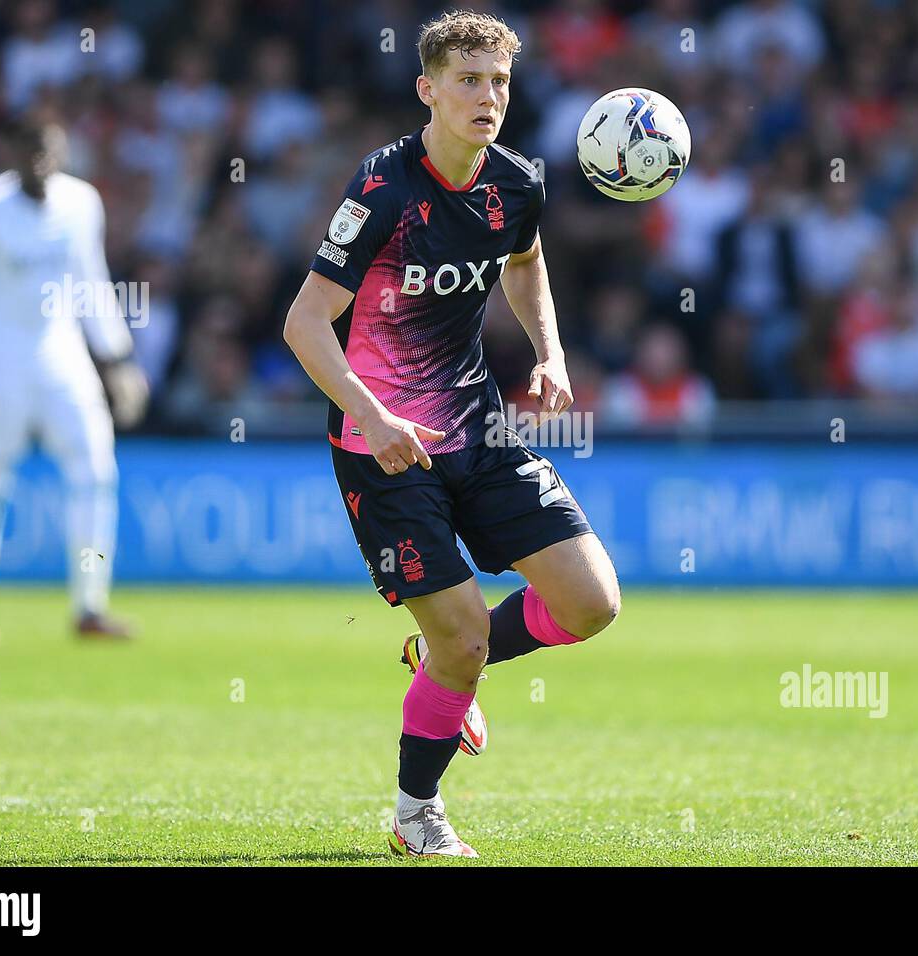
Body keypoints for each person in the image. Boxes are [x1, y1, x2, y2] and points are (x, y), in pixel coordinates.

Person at [283, 11, 620, 857]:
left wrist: (549, 350)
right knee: (465, 638)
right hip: (383, 448)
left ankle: (433, 657)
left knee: (591, 604)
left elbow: (526, 260)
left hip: (475, 425)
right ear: (427, 88)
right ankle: (415, 813)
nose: (488, 96)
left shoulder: (518, 184)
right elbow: (304, 321)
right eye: (468, 80)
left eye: (499, 81)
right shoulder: (382, 191)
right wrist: (371, 412)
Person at [0, 120, 148, 645]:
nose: (39, 163)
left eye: (48, 153)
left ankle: (89, 606)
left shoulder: (81, 203)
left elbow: (92, 284)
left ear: (62, 153)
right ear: (11, 153)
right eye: (30, 152)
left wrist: (117, 358)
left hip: (62, 359)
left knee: (96, 471)